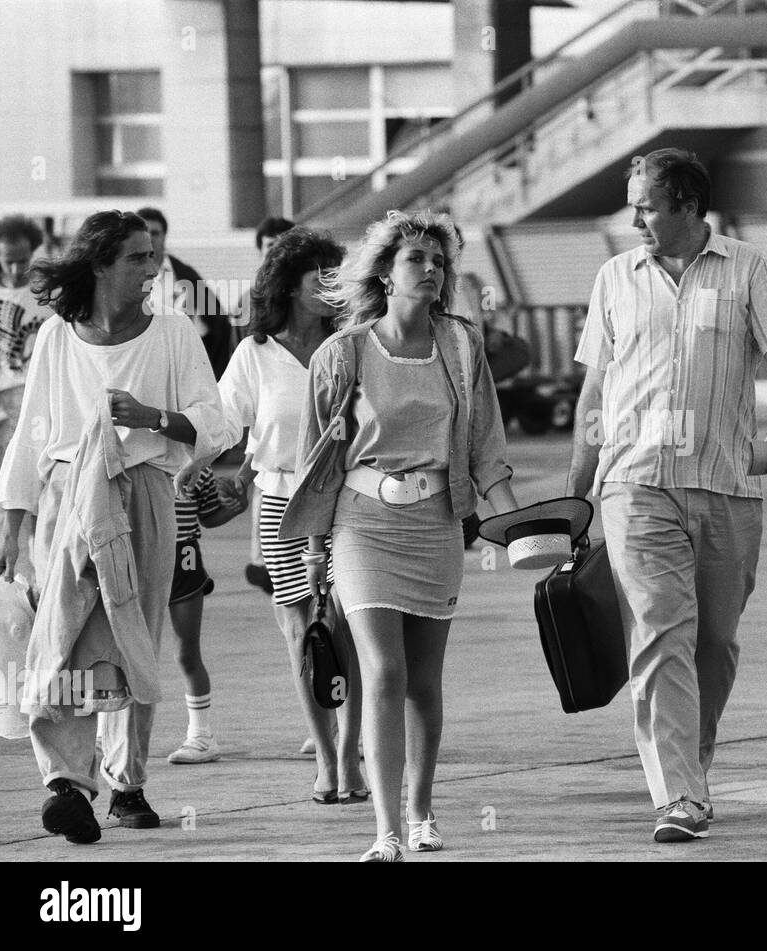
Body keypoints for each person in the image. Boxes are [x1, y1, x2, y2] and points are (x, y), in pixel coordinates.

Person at [567, 148, 767, 843]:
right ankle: (677, 794)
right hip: (635, 482)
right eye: (634, 206)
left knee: (715, 643)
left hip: (726, 481)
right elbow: (595, 388)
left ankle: (690, 768)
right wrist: (576, 494)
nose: (634, 219)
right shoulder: (614, 277)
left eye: (646, 206)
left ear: (687, 205)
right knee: (660, 631)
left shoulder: (747, 268)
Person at [280, 209, 519, 862]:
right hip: (363, 524)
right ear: (385, 272)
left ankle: (421, 810)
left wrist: (519, 527)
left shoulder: (462, 345)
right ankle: (385, 830)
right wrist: (313, 548)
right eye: (416, 258)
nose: (431, 269)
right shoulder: (343, 353)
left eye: (439, 260)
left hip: (437, 524)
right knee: (384, 671)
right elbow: (314, 460)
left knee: (423, 682)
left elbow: (487, 449)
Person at [0, 209, 228, 843]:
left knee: (132, 635)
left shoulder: (173, 332)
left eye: (153, 255)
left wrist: (154, 417)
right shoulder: (56, 337)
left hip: (144, 492)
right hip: (66, 496)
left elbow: (217, 421)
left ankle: (127, 784)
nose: (152, 267)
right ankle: (67, 783)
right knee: (61, 634)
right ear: (98, 265)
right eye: (136, 257)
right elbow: (29, 435)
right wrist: (8, 526)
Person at [215, 226, 365, 802]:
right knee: (303, 632)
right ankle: (325, 760)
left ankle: (351, 756)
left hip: (349, 500)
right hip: (280, 502)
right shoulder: (254, 354)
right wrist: (204, 465)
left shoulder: (354, 344)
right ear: (289, 286)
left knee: (348, 627)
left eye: (336, 277)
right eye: (319, 278)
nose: (331, 287)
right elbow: (224, 424)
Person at [165, 464, 247, 764]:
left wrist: (235, 507)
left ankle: (201, 736)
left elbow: (208, 515)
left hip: (183, 557)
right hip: (139, 553)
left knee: (187, 653)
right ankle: (104, 733)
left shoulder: (197, 465)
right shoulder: (128, 455)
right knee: (126, 651)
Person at [241, 217, 294, 598]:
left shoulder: (316, 298)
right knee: (264, 477)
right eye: (270, 248)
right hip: (264, 406)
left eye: (283, 247)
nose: (276, 255)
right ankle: (262, 560)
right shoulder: (251, 301)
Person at [0, 215, 52, 481]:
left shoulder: (49, 291)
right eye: (9, 261)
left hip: (37, 390)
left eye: (23, 260)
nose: (16, 269)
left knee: (28, 465)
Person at [136, 207, 233, 379]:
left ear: (164, 236)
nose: (150, 238)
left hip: (182, 366)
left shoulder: (185, 275)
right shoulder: (129, 275)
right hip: (142, 362)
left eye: (155, 233)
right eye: (145, 233)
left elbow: (216, 324)